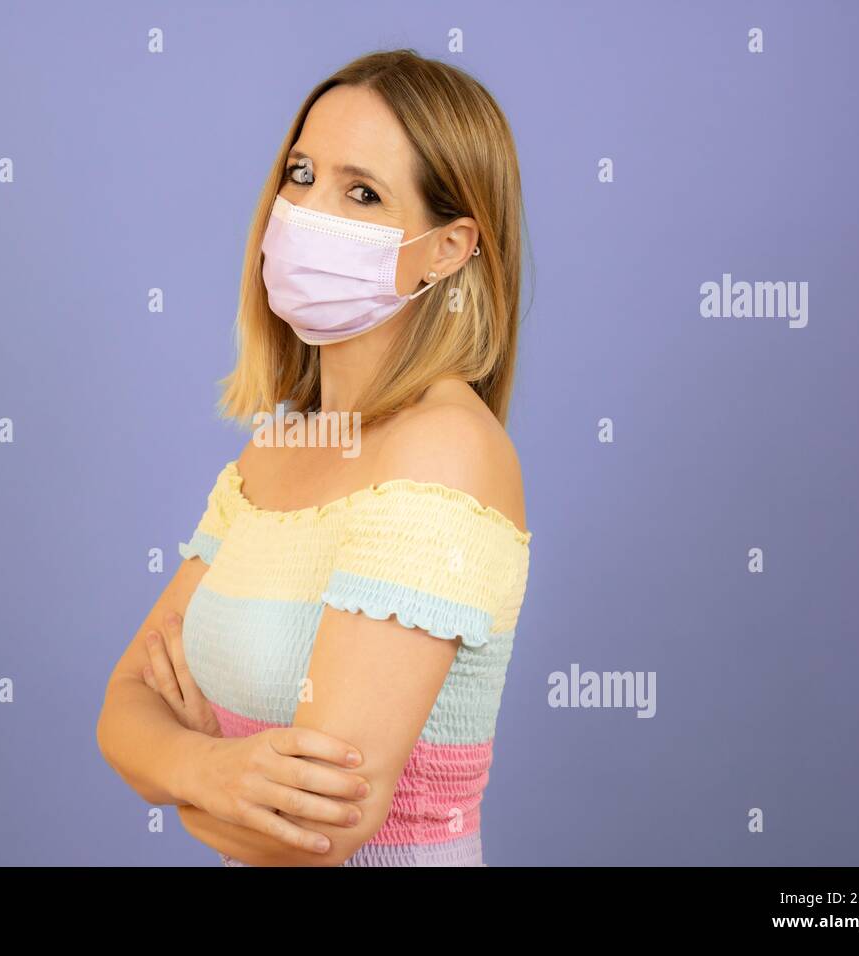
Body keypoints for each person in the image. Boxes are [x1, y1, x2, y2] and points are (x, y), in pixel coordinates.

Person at [96, 48, 534, 866]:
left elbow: (321, 827)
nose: (304, 211)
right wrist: (215, 770)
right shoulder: (279, 448)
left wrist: (184, 777)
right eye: (300, 174)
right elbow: (122, 707)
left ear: (448, 248)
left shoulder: (447, 454)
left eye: (361, 192)